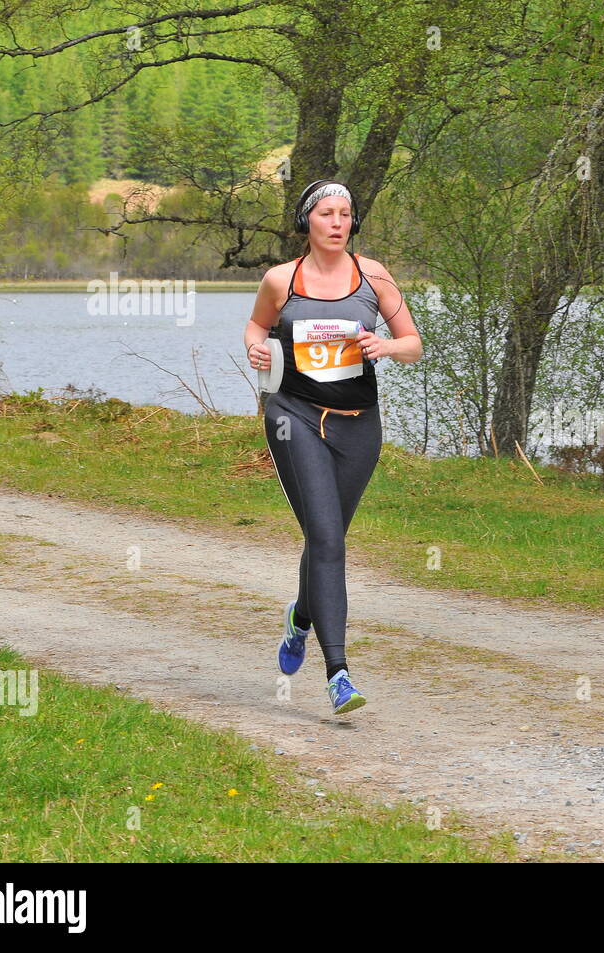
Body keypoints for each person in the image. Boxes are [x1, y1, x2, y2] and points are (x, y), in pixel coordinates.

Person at [242, 179, 422, 714]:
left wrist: (385, 344)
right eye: (327, 213)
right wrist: (257, 350)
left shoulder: (374, 276)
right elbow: (256, 326)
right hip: (293, 417)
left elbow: (412, 343)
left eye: (346, 213)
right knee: (327, 538)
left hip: (358, 426)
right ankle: (338, 673)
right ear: (308, 222)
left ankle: (301, 616)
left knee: (328, 539)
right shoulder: (282, 279)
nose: (338, 222)